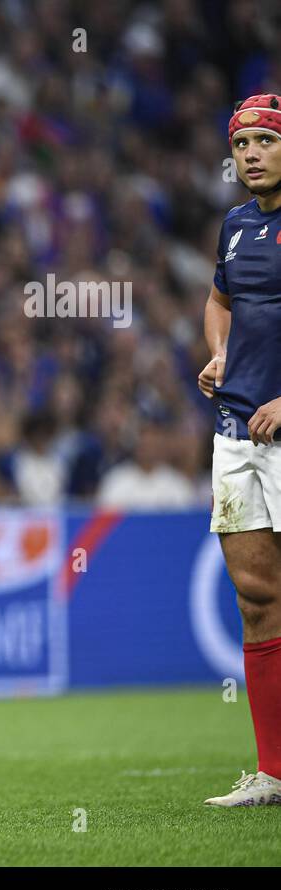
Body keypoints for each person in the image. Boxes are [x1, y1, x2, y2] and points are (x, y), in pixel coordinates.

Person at [198, 93, 281, 807]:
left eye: (265, 140)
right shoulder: (235, 225)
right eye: (242, 142)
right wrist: (220, 353)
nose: (251, 153)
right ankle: (272, 773)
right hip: (236, 431)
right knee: (256, 599)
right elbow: (220, 299)